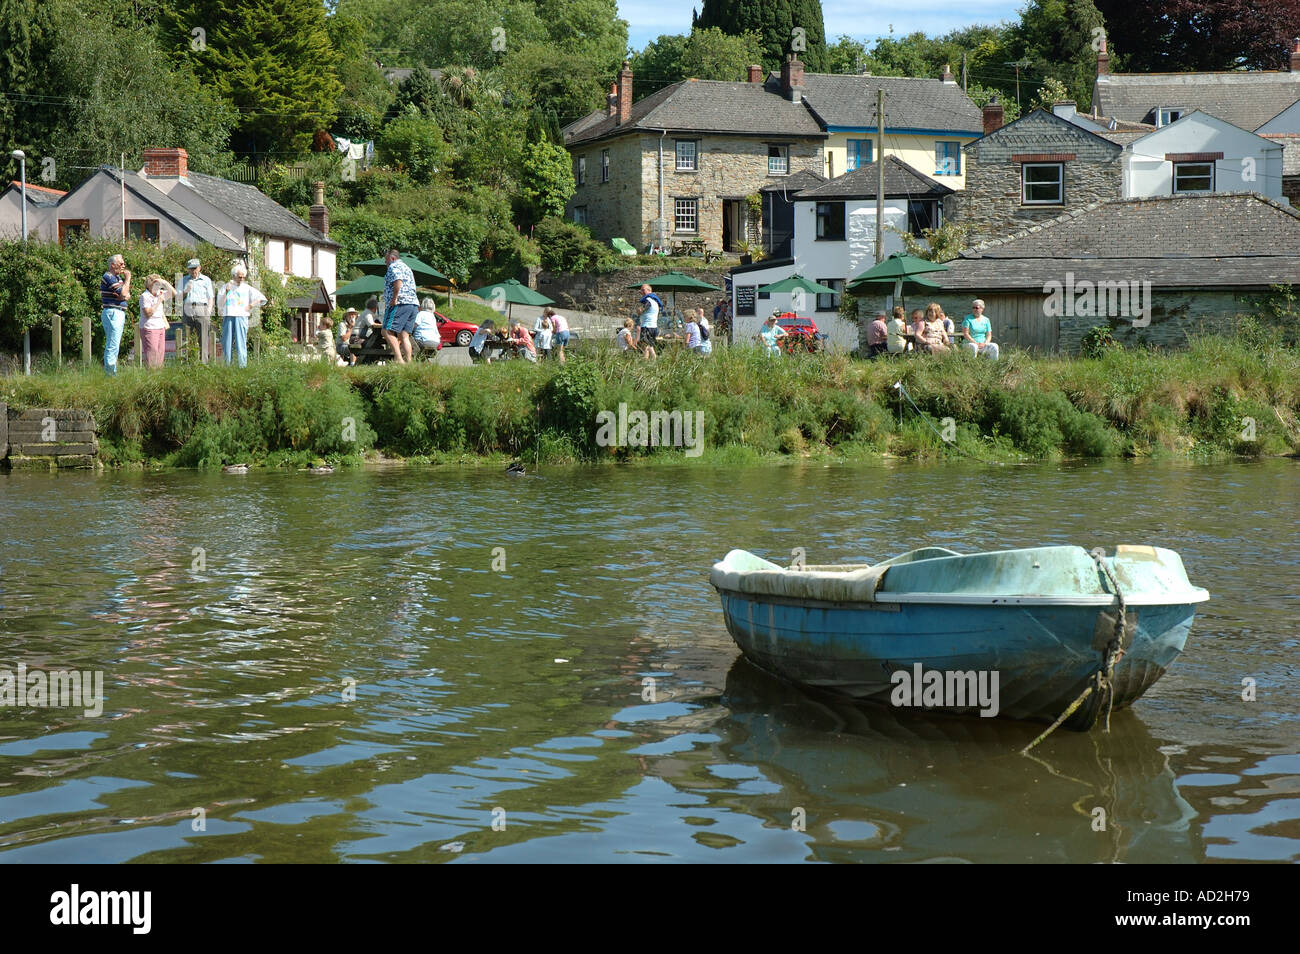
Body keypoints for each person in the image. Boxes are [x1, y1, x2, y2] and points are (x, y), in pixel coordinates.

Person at [219, 263, 267, 367]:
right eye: (239, 277)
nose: (241, 279)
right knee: (227, 342)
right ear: (233, 276)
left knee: (241, 342)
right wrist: (226, 291)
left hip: (241, 316)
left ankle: (242, 366)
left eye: (243, 277)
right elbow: (220, 303)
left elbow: (261, 298)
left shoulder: (247, 288)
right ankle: (227, 366)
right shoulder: (225, 287)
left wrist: (250, 305)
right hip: (228, 315)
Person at [381, 248, 419, 364]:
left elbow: (398, 281)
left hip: (400, 303)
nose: (385, 263)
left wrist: (394, 298)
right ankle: (409, 362)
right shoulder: (407, 268)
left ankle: (399, 360)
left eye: (386, 260)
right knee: (404, 335)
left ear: (392, 258)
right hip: (413, 304)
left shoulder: (394, 266)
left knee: (386, 331)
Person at [100, 254, 132, 374]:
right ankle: (110, 374)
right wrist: (127, 279)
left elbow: (127, 296)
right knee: (113, 344)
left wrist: (123, 294)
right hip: (113, 312)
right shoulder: (109, 277)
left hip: (117, 312)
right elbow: (124, 294)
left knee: (114, 343)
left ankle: (111, 371)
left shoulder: (117, 278)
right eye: (121, 264)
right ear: (113, 265)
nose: (124, 266)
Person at [138, 274, 176, 368]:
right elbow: (148, 313)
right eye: (156, 284)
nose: (158, 286)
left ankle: (159, 375)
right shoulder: (145, 296)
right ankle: (151, 375)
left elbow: (174, 293)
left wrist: (165, 282)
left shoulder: (160, 293)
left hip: (160, 326)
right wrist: (159, 301)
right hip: (149, 327)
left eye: (159, 284)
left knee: (160, 352)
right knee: (152, 353)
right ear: (149, 285)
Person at [179, 258, 214, 362]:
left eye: (195, 268)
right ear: (188, 270)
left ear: (199, 268)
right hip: (188, 308)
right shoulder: (183, 280)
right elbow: (178, 297)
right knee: (187, 337)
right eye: (191, 269)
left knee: (203, 338)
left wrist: (208, 311)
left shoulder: (206, 280)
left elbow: (210, 297)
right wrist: (186, 290)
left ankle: (203, 363)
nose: (193, 271)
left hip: (201, 308)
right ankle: (189, 362)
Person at [637, 283, 662, 359]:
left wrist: (639, 311)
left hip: (647, 326)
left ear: (649, 290)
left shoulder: (648, 300)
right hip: (654, 327)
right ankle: (654, 360)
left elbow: (643, 309)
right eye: (641, 290)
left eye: (643, 290)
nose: (641, 291)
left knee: (645, 346)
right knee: (650, 346)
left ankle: (645, 362)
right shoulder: (656, 301)